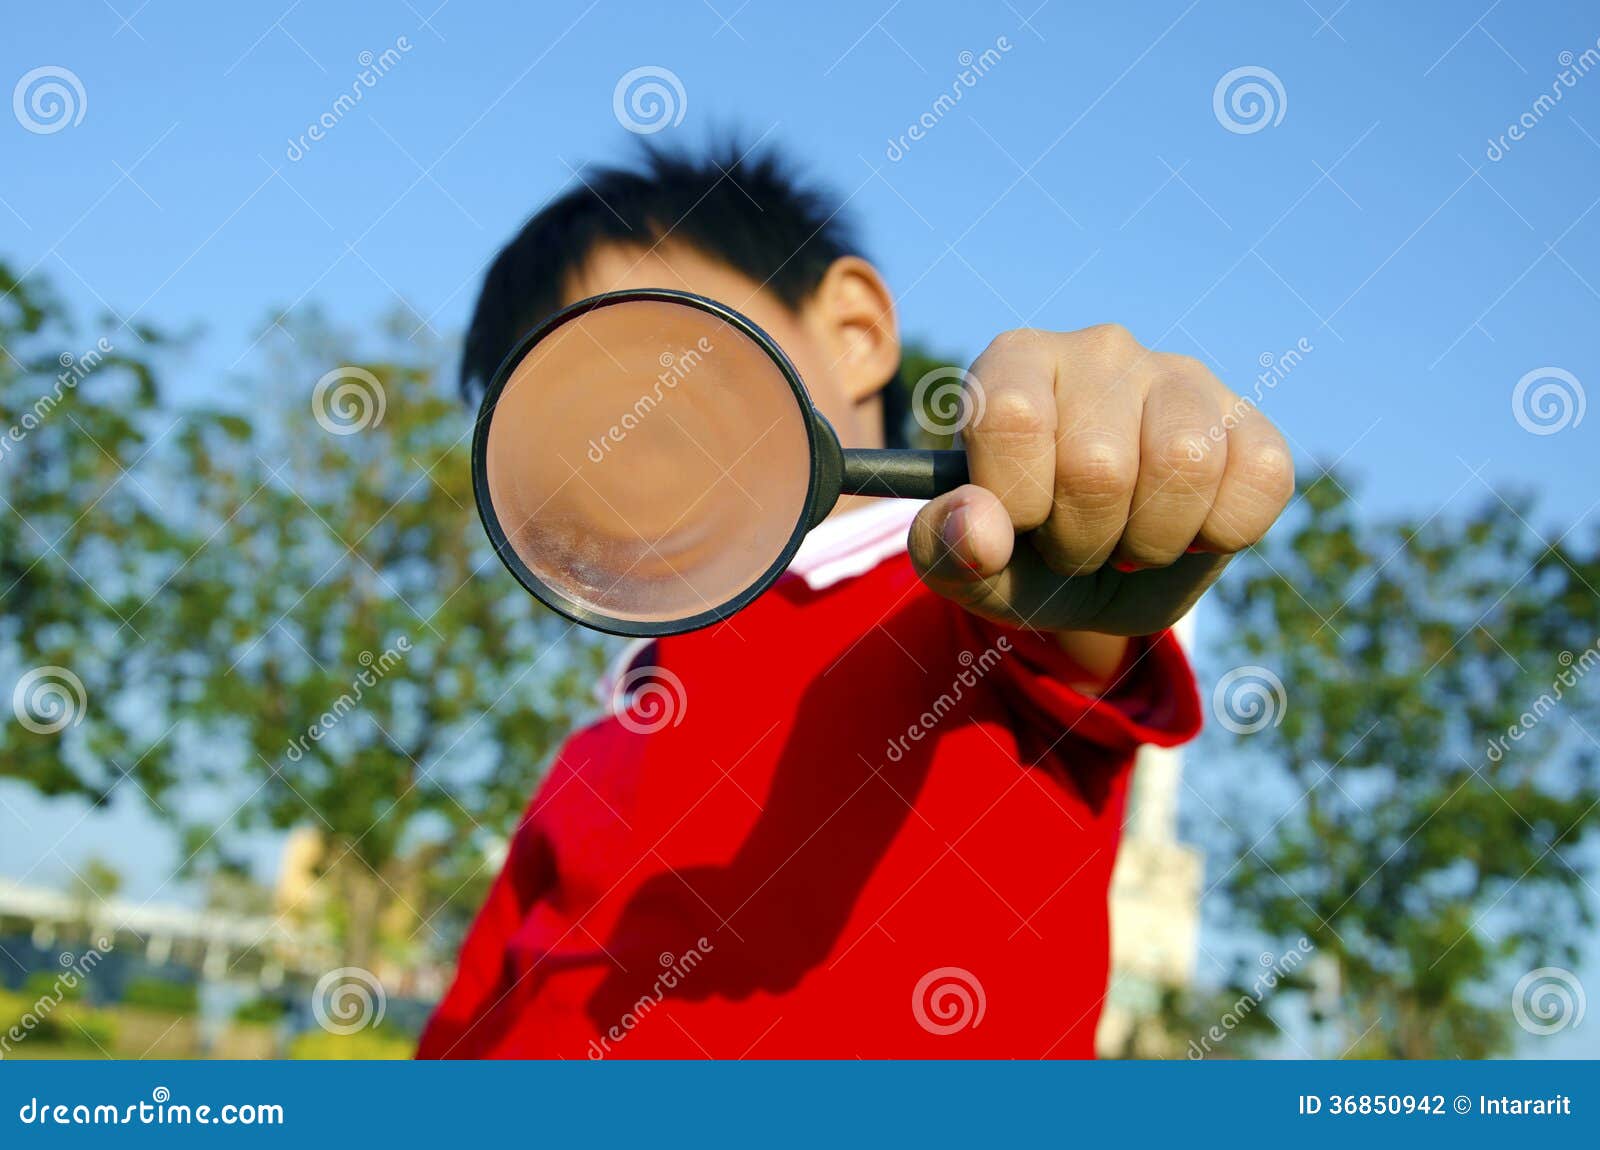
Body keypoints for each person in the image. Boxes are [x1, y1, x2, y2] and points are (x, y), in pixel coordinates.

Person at [417, 142, 1293, 1059]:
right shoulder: (601, 733)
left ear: (854, 331)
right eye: (551, 437)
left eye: (644, 366)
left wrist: (1105, 433)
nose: (608, 445)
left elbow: (1074, 598)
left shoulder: (980, 599)